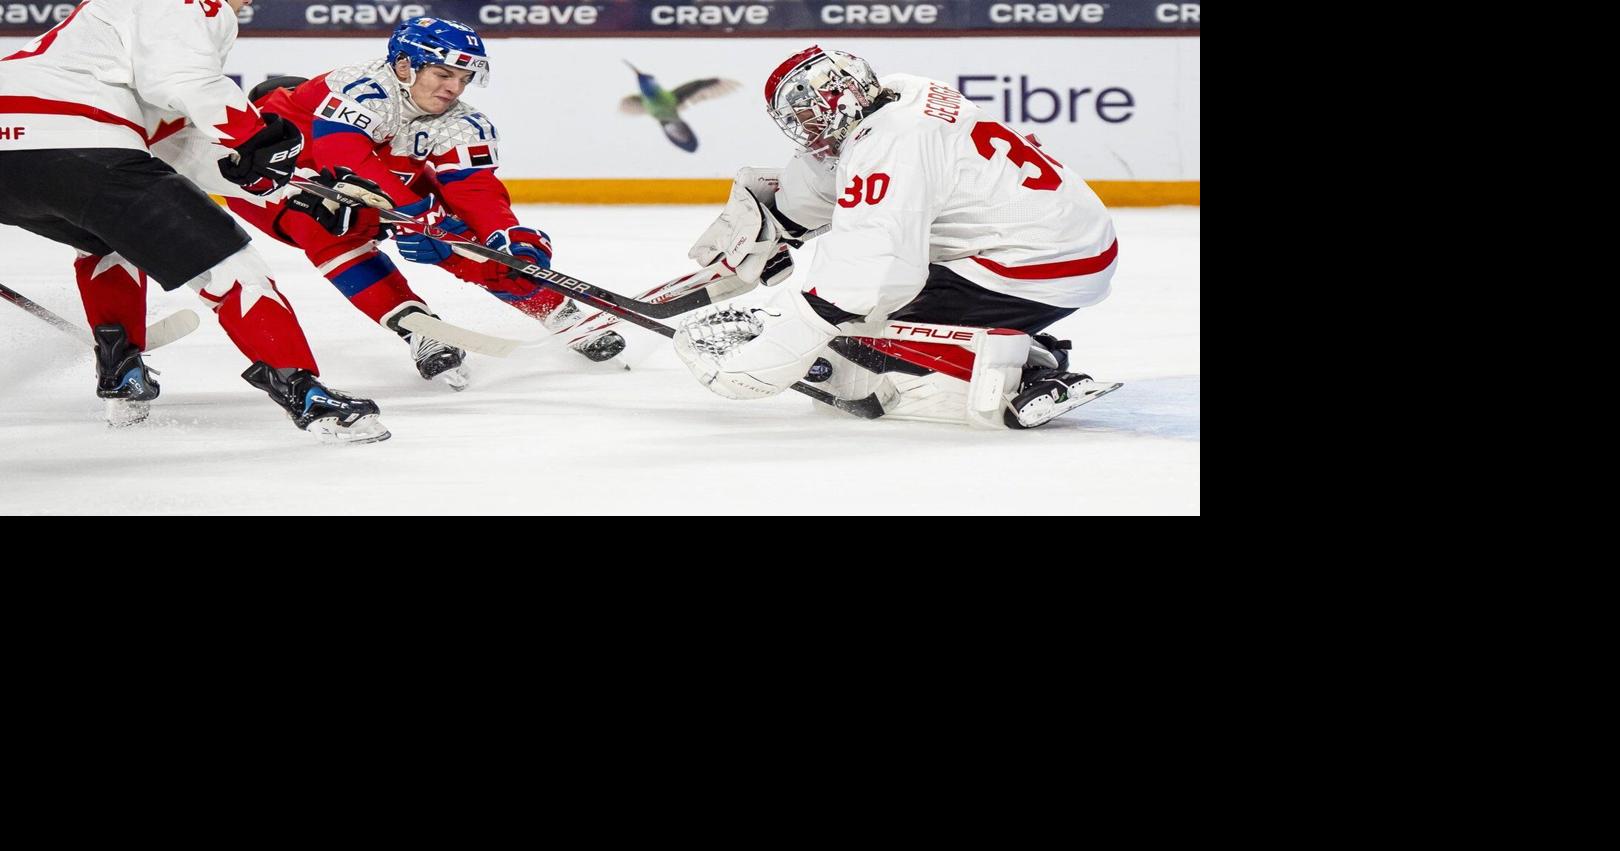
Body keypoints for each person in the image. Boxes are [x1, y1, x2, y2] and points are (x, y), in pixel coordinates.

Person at [0, 0, 388, 443]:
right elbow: (185, 82)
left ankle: (121, 371)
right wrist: (257, 137)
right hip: (82, 146)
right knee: (231, 265)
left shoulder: (92, 38)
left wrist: (296, 191)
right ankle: (304, 392)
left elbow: (178, 142)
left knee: (107, 239)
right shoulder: (186, 5)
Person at [674, 46, 1120, 429]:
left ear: (836, 102)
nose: (805, 131)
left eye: (807, 117)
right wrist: (779, 219)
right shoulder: (904, 92)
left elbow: (876, 268)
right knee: (855, 334)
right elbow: (845, 172)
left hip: (1034, 265)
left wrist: (787, 339)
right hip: (1063, 239)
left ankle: (1020, 373)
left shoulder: (891, 144)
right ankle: (1002, 342)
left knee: (861, 367)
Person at [232, 17, 624, 391]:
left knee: (461, 235)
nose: (454, 88)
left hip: (376, 176)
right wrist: (417, 216)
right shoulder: (360, 85)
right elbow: (344, 157)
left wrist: (503, 235)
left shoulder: (459, 122)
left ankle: (559, 312)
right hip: (291, 182)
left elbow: (474, 188)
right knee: (331, 229)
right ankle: (418, 329)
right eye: (443, 74)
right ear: (404, 64)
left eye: (463, 79)